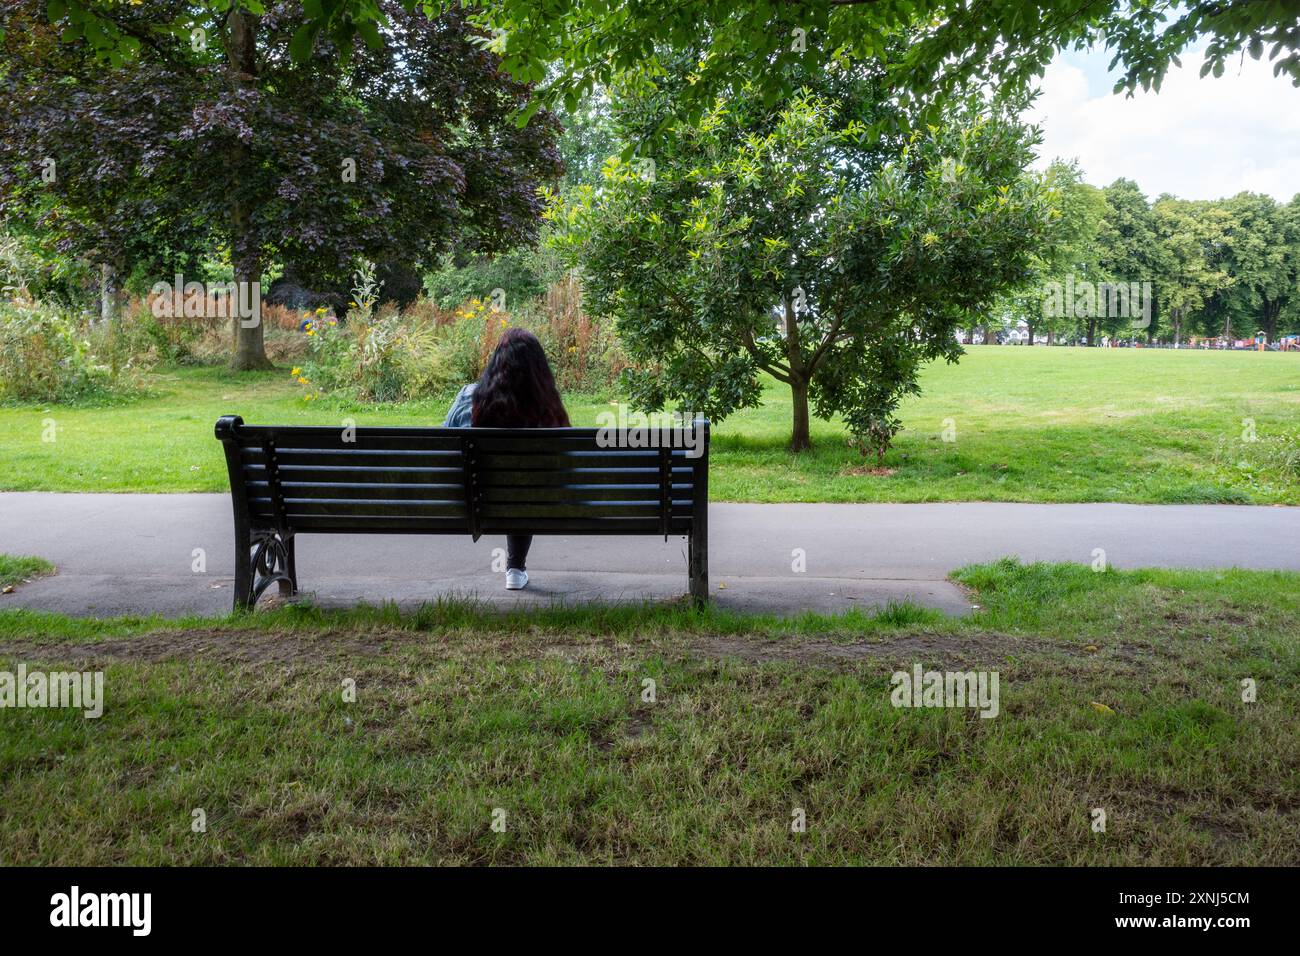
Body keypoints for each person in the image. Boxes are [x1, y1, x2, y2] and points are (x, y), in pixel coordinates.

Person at [442, 328, 570, 590]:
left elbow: (442, 448)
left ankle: (514, 567)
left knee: (514, 485)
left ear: (495, 362)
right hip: (532, 502)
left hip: (477, 500)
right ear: (539, 368)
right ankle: (515, 567)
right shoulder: (547, 407)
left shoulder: (469, 397)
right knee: (524, 486)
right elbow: (563, 463)